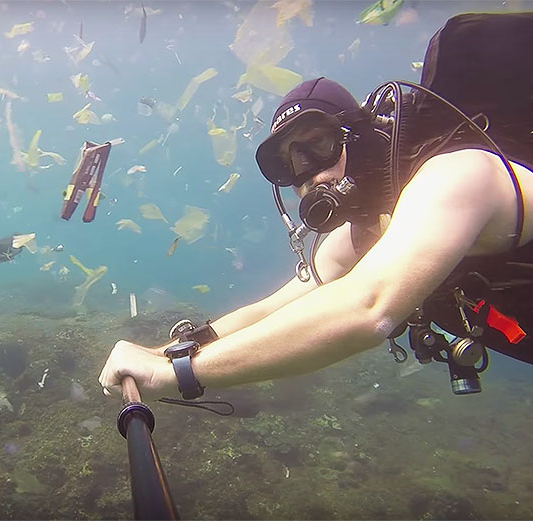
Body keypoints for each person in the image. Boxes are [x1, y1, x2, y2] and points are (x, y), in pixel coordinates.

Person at [99, 12, 533, 400]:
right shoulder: (371, 232)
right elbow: (274, 308)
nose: (309, 173)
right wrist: (170, 350)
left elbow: (367, 308)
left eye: (319, 145)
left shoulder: (461, 175)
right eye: (286, 163)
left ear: (359, 137)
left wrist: (178, 374)